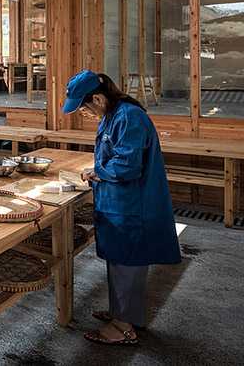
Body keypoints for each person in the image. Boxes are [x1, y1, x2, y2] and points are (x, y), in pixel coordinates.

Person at [61, 70, 180, 347]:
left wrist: (97, 172)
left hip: (132, 205)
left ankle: (123, 327)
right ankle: (124, 314)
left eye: (84, 107)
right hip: (120, 202)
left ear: (99, 98)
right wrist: (99, 172)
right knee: (122, 263)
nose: (85, 113)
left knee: (128, 263)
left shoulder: (128, 116)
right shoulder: (113, 116)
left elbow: (127, 165)